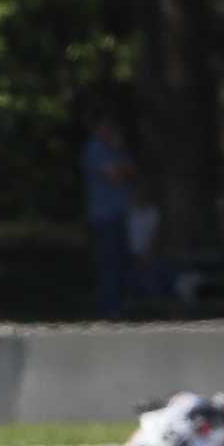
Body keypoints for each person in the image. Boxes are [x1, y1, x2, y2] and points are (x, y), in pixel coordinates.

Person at [80, 117, 135, 318]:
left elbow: (131, 171)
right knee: (108, 262)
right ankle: (109, 308)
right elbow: (116, 175)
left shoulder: (116, 149)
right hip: (104, 215)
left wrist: (121, 164)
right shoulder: (95, 149)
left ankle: (120, 305)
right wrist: (122, 169)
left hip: (121, 214)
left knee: (121, 261)